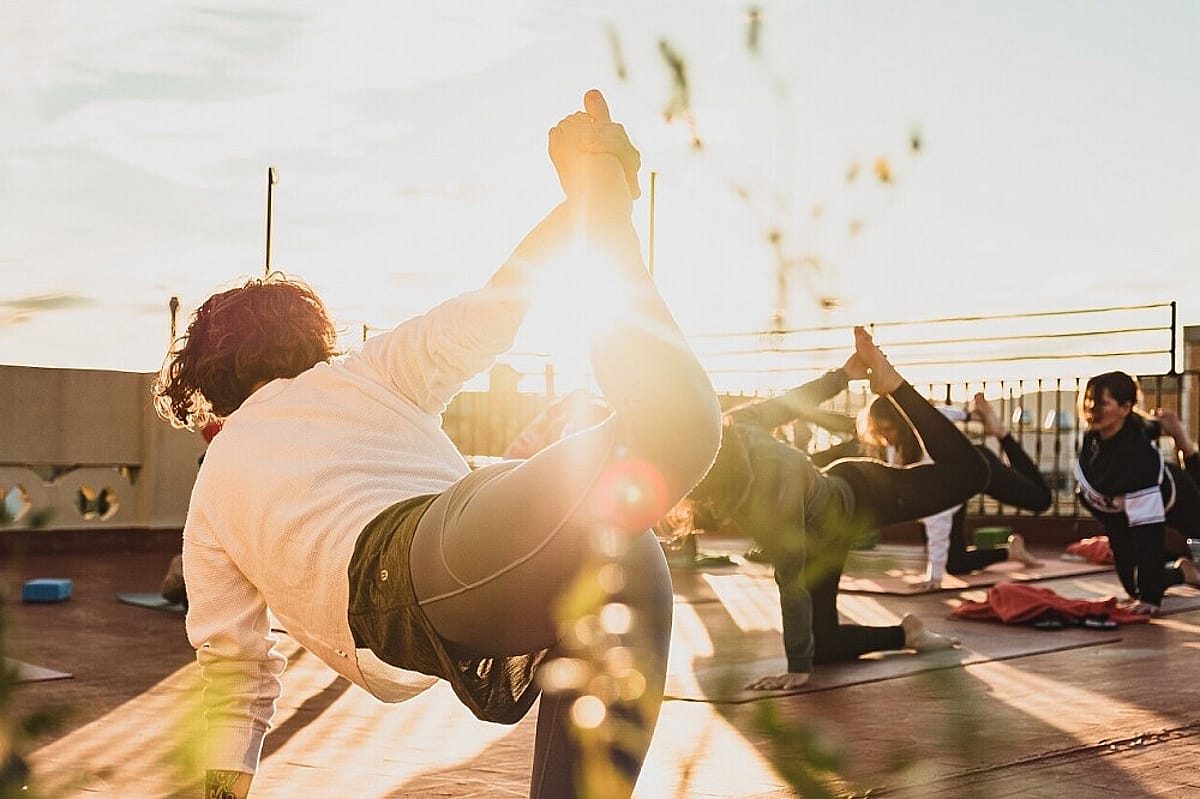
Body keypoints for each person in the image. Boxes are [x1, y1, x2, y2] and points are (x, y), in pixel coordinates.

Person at [152, 90, 721, 799]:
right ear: (301, 337)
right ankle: (607, 208)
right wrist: (587, 198)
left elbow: (235, 671)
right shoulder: (364, 373)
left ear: (212, 377)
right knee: (672, 431)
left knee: (624, 561)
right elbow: (499, 303)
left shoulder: (213, 489)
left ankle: (603, 204)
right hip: (414, 554)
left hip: (434, 579)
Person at [674, 327, 990, 690]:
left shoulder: (768, 488)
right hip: (824, 531)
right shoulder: (738, 429)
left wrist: (796, 665)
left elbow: (791, 580)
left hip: (864, 493)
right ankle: (906, 634)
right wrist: (842, 376)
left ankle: (895, 387)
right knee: (822, 647)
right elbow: (792, 401)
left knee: (972, 473)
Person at [861, 392, 1050, 591]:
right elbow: (941, 413)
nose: (883, 437)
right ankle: (1011, 552)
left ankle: (1002, 433)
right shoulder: (896, 447)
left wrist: (934, 577)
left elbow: (938, 519)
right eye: (878, 430)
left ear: (902, 424)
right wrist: (968, 416)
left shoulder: (925, 454)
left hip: (979, 467)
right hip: (954, 489)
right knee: (954, 563)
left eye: (887, 429)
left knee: (1041, 500)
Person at [1076, 371, 1200, 614]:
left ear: (1124, 408)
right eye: (1089, 401)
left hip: (1178, 497)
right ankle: (1182, 571)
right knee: (1134, 588)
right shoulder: (1093, 440)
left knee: (1146, 586)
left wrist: (1151, 598)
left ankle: (1185, 443)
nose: (1092, 408)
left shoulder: (1138, 459)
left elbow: (1149, 535)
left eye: (1102, 402)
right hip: (1123, 516)